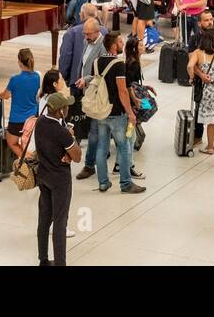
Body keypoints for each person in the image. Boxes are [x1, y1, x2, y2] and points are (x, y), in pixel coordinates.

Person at [91, 30, 146, 194]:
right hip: (116, 112)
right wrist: (130, 112)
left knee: (102, 147)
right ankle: (126, 183)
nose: (123, 45)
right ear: (114, 46)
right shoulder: (118, 64)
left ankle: (103, 182)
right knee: (123, 146)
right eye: (121, 43)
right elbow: (122, 91)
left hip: (101, 111)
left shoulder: (96, 62)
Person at [34, 89, 80, 266]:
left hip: (43, 176)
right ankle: (60, 263)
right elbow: (76, 156)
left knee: (44, 219)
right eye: (66, 107)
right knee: (60, 223)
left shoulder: (40, 122)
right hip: (60, 180)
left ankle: (43, 260)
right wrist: (71, 138)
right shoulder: (61, 132)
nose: (68, 109)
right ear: (60, 110)